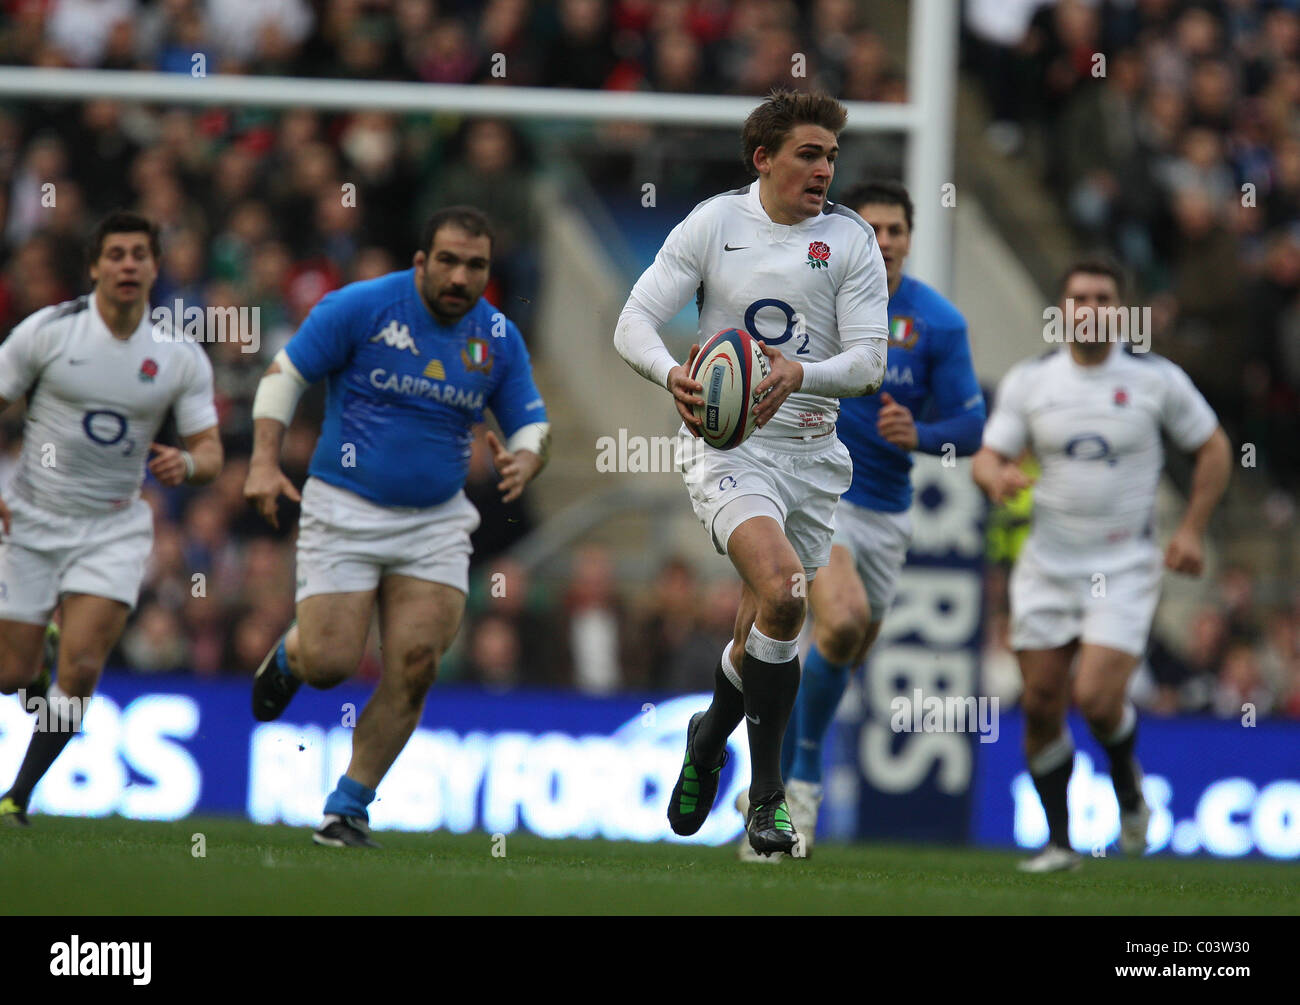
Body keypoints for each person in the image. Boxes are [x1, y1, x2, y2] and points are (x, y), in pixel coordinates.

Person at [614, 89, 889, 857]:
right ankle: (766, 800)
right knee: (784, 592)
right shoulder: (714, 223)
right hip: (729, 443)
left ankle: (707, 736)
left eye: (831, 156)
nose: (824, 169)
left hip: (812, 455)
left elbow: (870, 364)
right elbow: (631, 321)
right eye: (809, 153)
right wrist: (672, 374)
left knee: (761, 633)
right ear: (764, 158)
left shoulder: (852, 241)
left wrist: (799, 374)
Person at [243, 206, 549, 848]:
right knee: (331, 664)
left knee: (415, 664)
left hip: (436, 522)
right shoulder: (360, 307)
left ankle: (348, 806)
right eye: (448, 261)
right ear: (421, 262)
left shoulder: (496, 336)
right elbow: (284, 375)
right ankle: (296, 653)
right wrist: (265, 462)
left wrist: (525, 455)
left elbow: (529, 419)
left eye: (475, 265)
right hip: (344, 507)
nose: (460, 276)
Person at [740, 179, 986, 861]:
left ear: (911, 237)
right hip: (821, 492)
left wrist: (925, 431)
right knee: (840, 619)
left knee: (844, 648)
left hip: (890, 508)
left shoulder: (938, 322)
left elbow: (971, 426)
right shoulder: (817, 301)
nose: (883, 243)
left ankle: (770, 781)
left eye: (895, 231)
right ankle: (796, 789)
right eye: (870, 230)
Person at [972, 258, 1231, 872]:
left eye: (1103, 297)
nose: (1090, 308)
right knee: (1039, 701)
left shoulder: (1155, 379)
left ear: (1120, 310)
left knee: (1093, 697)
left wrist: (1193, 530)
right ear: (1061, 311)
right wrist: (996, 475)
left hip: (1123, 564)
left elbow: (1215, 447)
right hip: (1046, 563)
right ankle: (1061, 843)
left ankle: (1129, 789)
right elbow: (987, 456)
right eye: (1079, 297)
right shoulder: (1031, 381)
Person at [0, 211, 222, 826]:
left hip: (113, 527)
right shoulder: (48, 332)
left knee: (83, 669)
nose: (128, 264)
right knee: (10, 672)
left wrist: (190, 464)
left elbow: (210, 451)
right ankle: (33, 656)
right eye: (116, 254)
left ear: (155, 267)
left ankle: (18, 796)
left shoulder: (178, 355)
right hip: (33, 518)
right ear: (95, 266)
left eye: (140, 255)